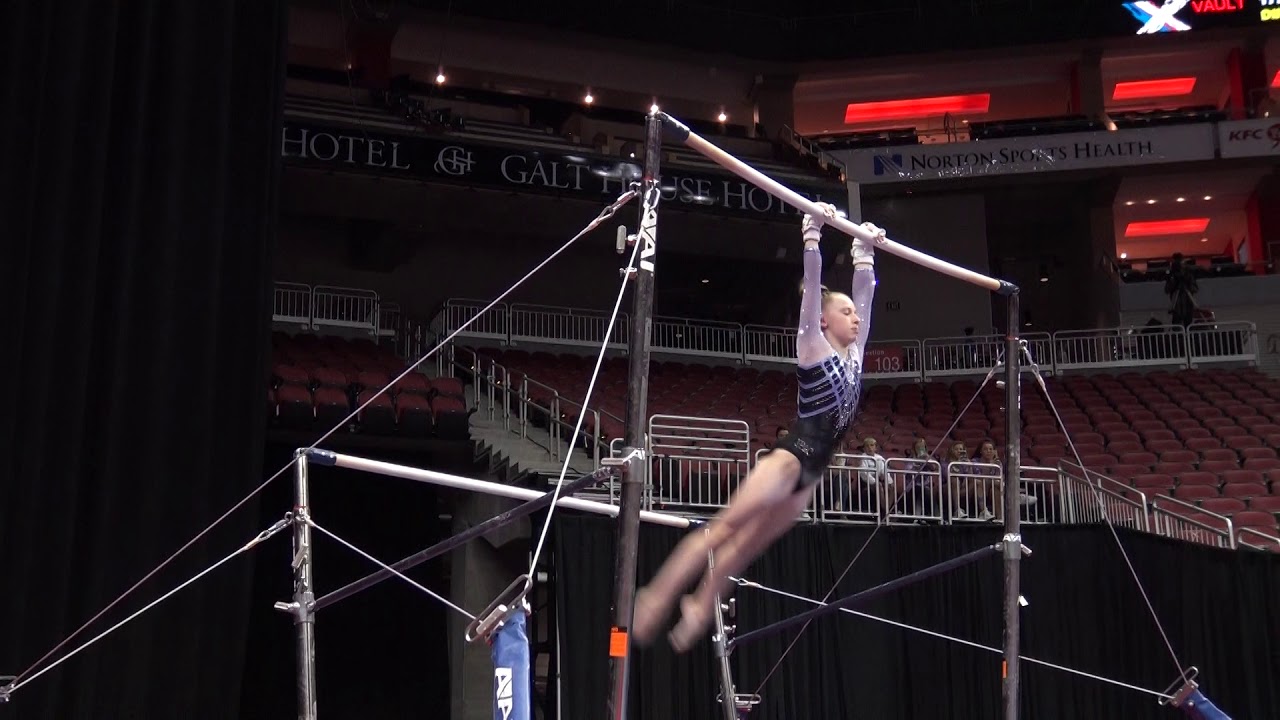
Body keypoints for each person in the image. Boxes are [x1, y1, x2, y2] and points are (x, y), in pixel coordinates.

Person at [631, 202, 878, 652]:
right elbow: (811, 293)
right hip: (791, 459)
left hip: (810, 477)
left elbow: (866, 295)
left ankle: (699, 605)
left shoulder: (856, 354)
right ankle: (657, 594)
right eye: (846, 312)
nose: (856, 317)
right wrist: (812, 234)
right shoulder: (812, 344)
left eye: (855, 313)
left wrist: (865, 255)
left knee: (745, 549)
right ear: (824, 320)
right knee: (724, 529)